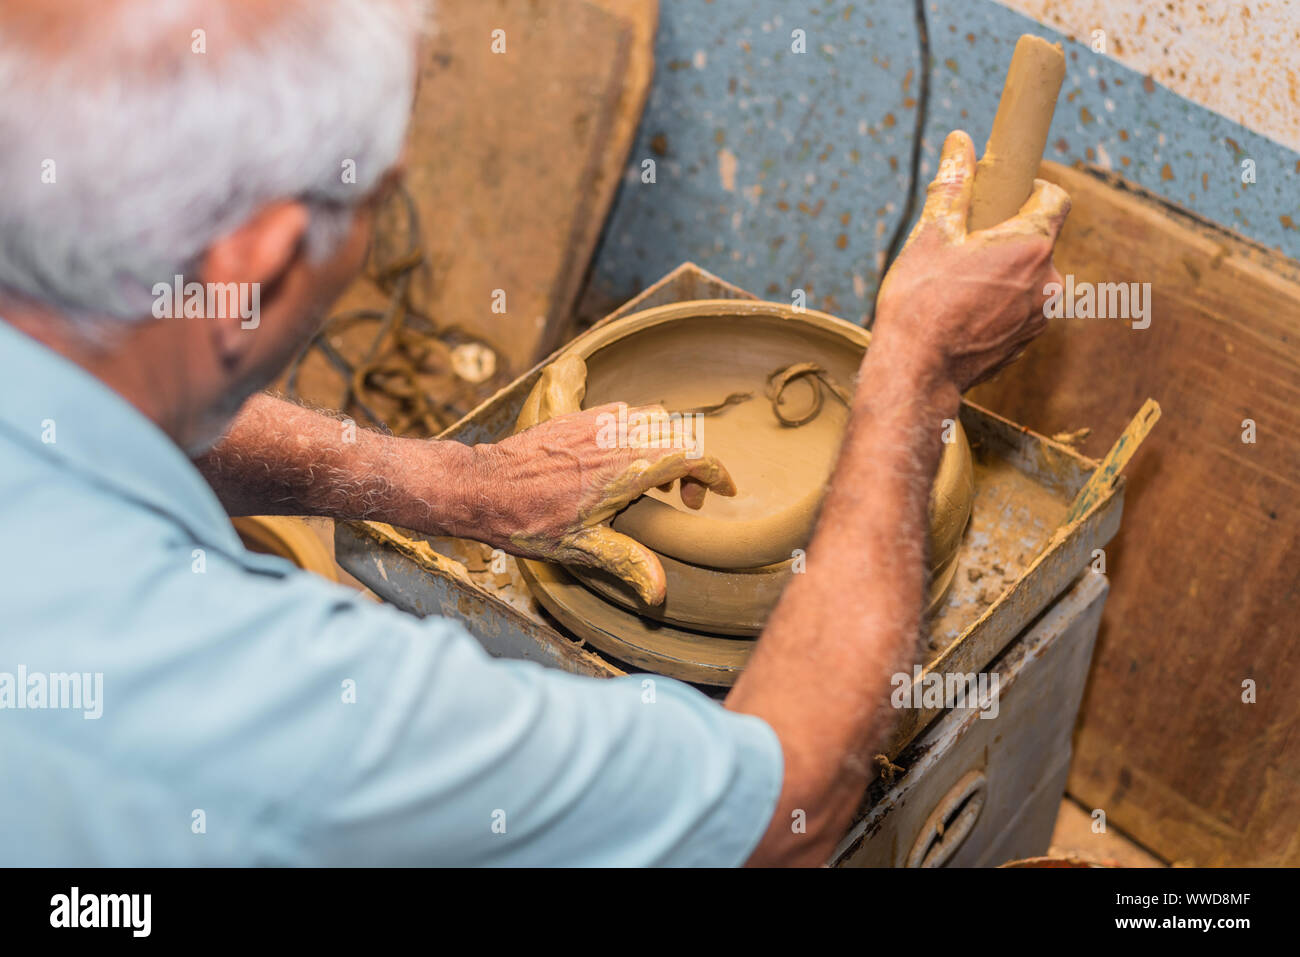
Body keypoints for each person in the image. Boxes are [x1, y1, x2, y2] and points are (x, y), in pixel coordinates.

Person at [0, 0, 1067, 865]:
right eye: (376, 197)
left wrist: (450, 487)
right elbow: (787, 807)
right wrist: (912, 383)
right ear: (260, 268)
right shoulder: (281, 712)